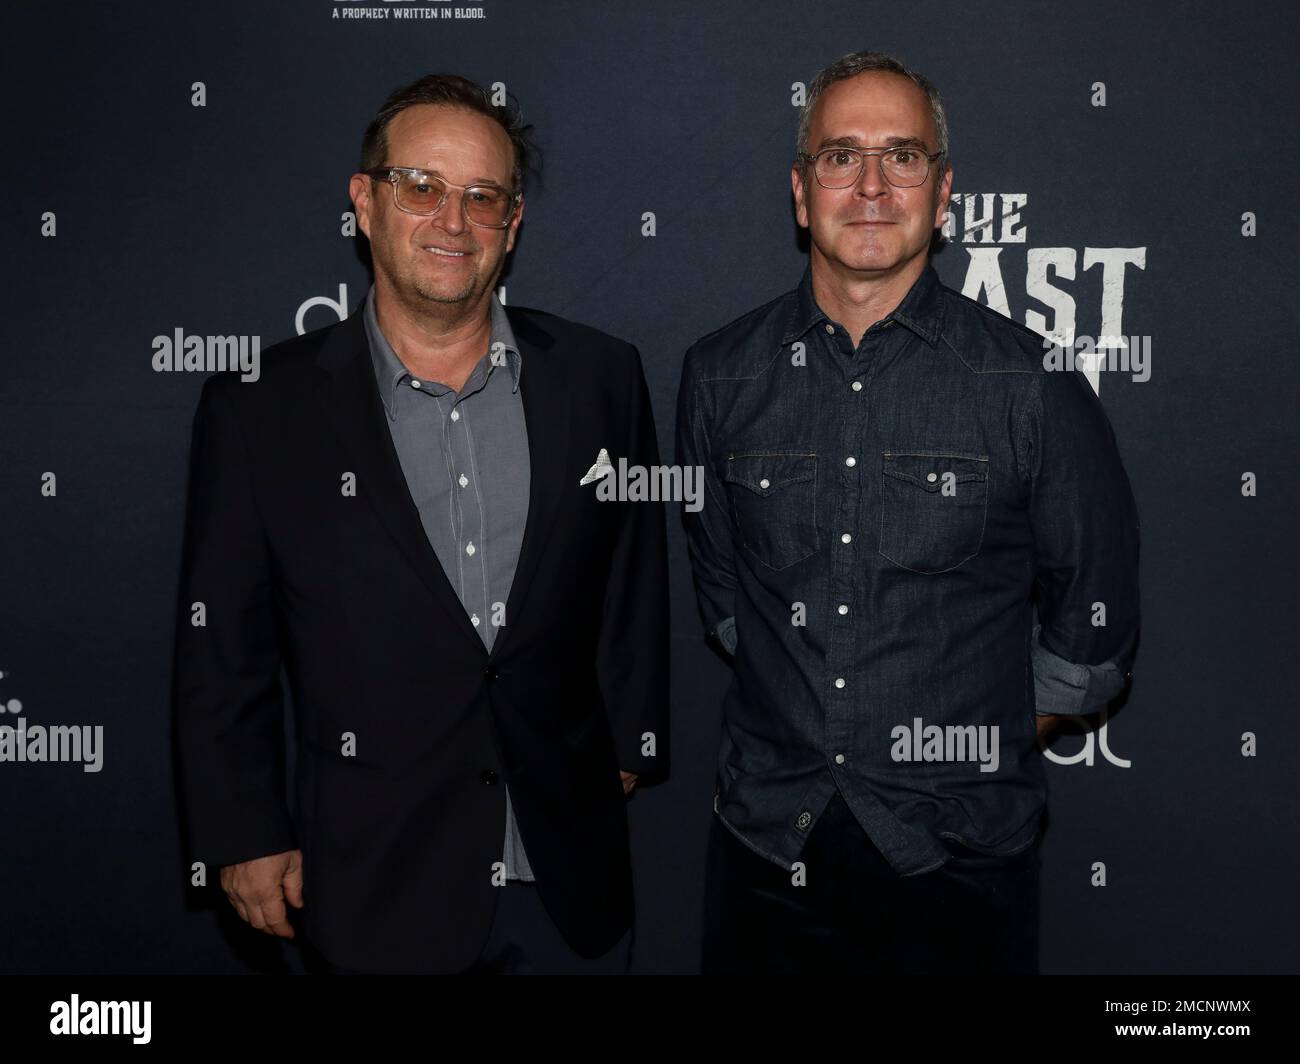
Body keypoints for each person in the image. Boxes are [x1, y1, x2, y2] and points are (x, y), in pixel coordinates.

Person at [172, 74, 668, 974]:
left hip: (563, 877)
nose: (454, 220)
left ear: (512, 226)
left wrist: (625, 743)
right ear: (365, 202)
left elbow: (632, 578)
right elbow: (222, 650)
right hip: (371, 884)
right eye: (422, 186)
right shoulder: (259, 408)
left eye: (485, 197)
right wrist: (240, 830)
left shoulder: (601, 378)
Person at [676, 51, 1139, 974]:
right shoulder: (720, 374)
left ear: (945, 190)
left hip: (962, 861)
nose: (874, 185)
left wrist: (971, 739)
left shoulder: (1031, 385)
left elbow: (1092, 635)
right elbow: (730, 605)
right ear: (802, 192)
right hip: (767, 850)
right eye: (841, 157)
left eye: (904, 156)